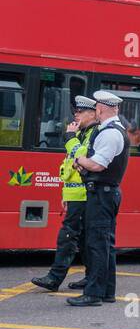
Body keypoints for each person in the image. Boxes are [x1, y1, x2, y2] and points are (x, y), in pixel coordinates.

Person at [66, 91, 131, 308]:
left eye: (95, 108)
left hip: (102, 193)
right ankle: (106, 292)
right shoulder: (112, 131)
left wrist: (79, 158)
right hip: (105, 192)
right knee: (105, 244)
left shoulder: (110, 133)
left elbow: (97, 165)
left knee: (97, 244)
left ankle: (93, 293)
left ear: (100, 109)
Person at [31, 95, 99, 292]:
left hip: (86, 195)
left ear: (92, 113)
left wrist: (71, 138)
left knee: (68, 236)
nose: (75, 116)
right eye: (75, 112)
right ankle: (90, 277)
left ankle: (54, 277)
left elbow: (83, 159)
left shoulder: (94, 134)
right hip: (76, 196)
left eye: (79, 112)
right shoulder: (83, 133)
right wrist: (65, 196)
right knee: (84, 238)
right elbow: (69, 167)